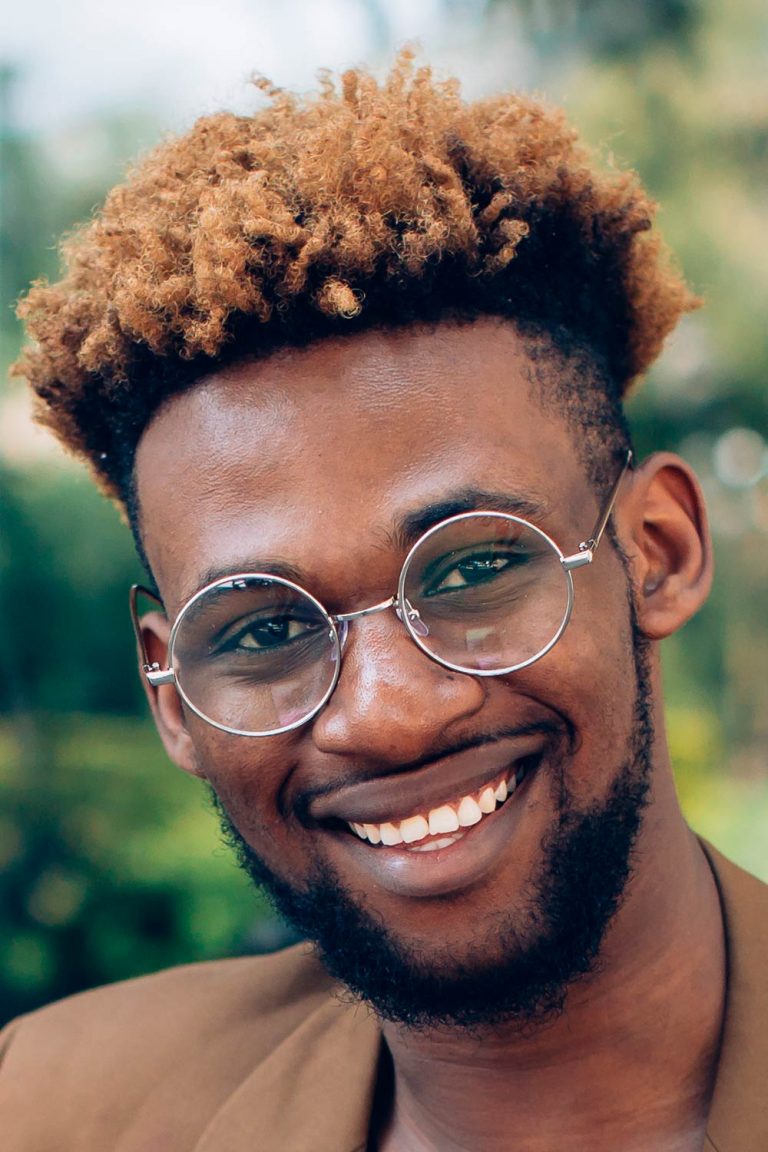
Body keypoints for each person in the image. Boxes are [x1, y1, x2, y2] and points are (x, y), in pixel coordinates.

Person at [1, 54, 765, 1152]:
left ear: (658, 552)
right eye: (264, 630)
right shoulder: (53, 1110)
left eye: (470, 572)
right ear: (171, 697)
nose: (388, 716)